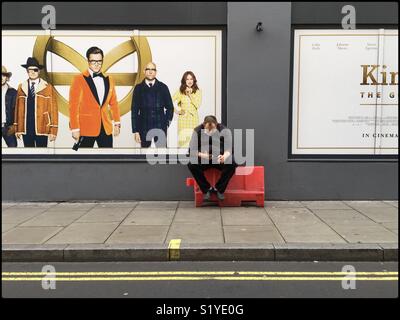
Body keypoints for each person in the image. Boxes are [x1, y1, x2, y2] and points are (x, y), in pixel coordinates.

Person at [69, 46, 121, 148]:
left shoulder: (109, 79)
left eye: (99, 61)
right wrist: (75, 128)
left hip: (105, 128)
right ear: (88, 61)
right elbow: (73, 105)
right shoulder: (78, 79)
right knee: (82, 160)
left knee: (108, 159)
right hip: (85, 128)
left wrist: (117, 123)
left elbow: (114, 103)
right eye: (93, 61)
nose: (97, 64)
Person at [187, 115, 237, 201]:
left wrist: (224, 156)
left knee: (232, 163)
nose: (210, 131)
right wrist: (202, 155)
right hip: (204, 159)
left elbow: (229, 148)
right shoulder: (197, 130)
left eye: (212, 129)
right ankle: (207, 189)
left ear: (217, 125)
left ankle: (219, 189)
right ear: (203, 125)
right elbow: (191, 150)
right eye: (207, 129)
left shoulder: (225, 130)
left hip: (219, 159)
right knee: (191, 163)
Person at [14, 57, 58, 147]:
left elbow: (53, 110)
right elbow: (17, 110)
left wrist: (53, 130)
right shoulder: (21, 87)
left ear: (39, 71)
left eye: (35, 70)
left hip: (42, 126)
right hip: (26, 128)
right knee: (29, 156)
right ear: (27, 71)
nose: (33, 72)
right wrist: (17, 128)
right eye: (30, 70)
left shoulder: (48, 87)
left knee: (42, 156)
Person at [131, 62, 174, 148]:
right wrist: (136, 131)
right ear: (144, 71)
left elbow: (170, 107)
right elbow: (134, 110)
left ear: (156, 72)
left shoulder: (163, 87)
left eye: (153, 69)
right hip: (144, 127)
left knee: (162, 154)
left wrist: (166, 123)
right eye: (148, 69)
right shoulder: (138, 88)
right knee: (144, 155)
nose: (150, 72)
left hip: (160, 126)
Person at [172, 71, 202, 148]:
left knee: (194, 144)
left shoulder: (198, 91)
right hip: (183, 120)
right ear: (184, 81)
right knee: (183, 143)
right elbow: (169, 101)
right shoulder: (180, 91)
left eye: (191, 79)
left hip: (193, 120)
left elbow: (197, 105)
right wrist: (177, 111)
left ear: (194, 80)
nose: (189, 81)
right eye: (187, 79)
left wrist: (190, 94)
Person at [2, 66, 17, 147]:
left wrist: (15, 125)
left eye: (3, 75)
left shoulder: (13, 92)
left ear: (7, 77)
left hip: (7, 127)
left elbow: (17, 110)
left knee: (13, 148)